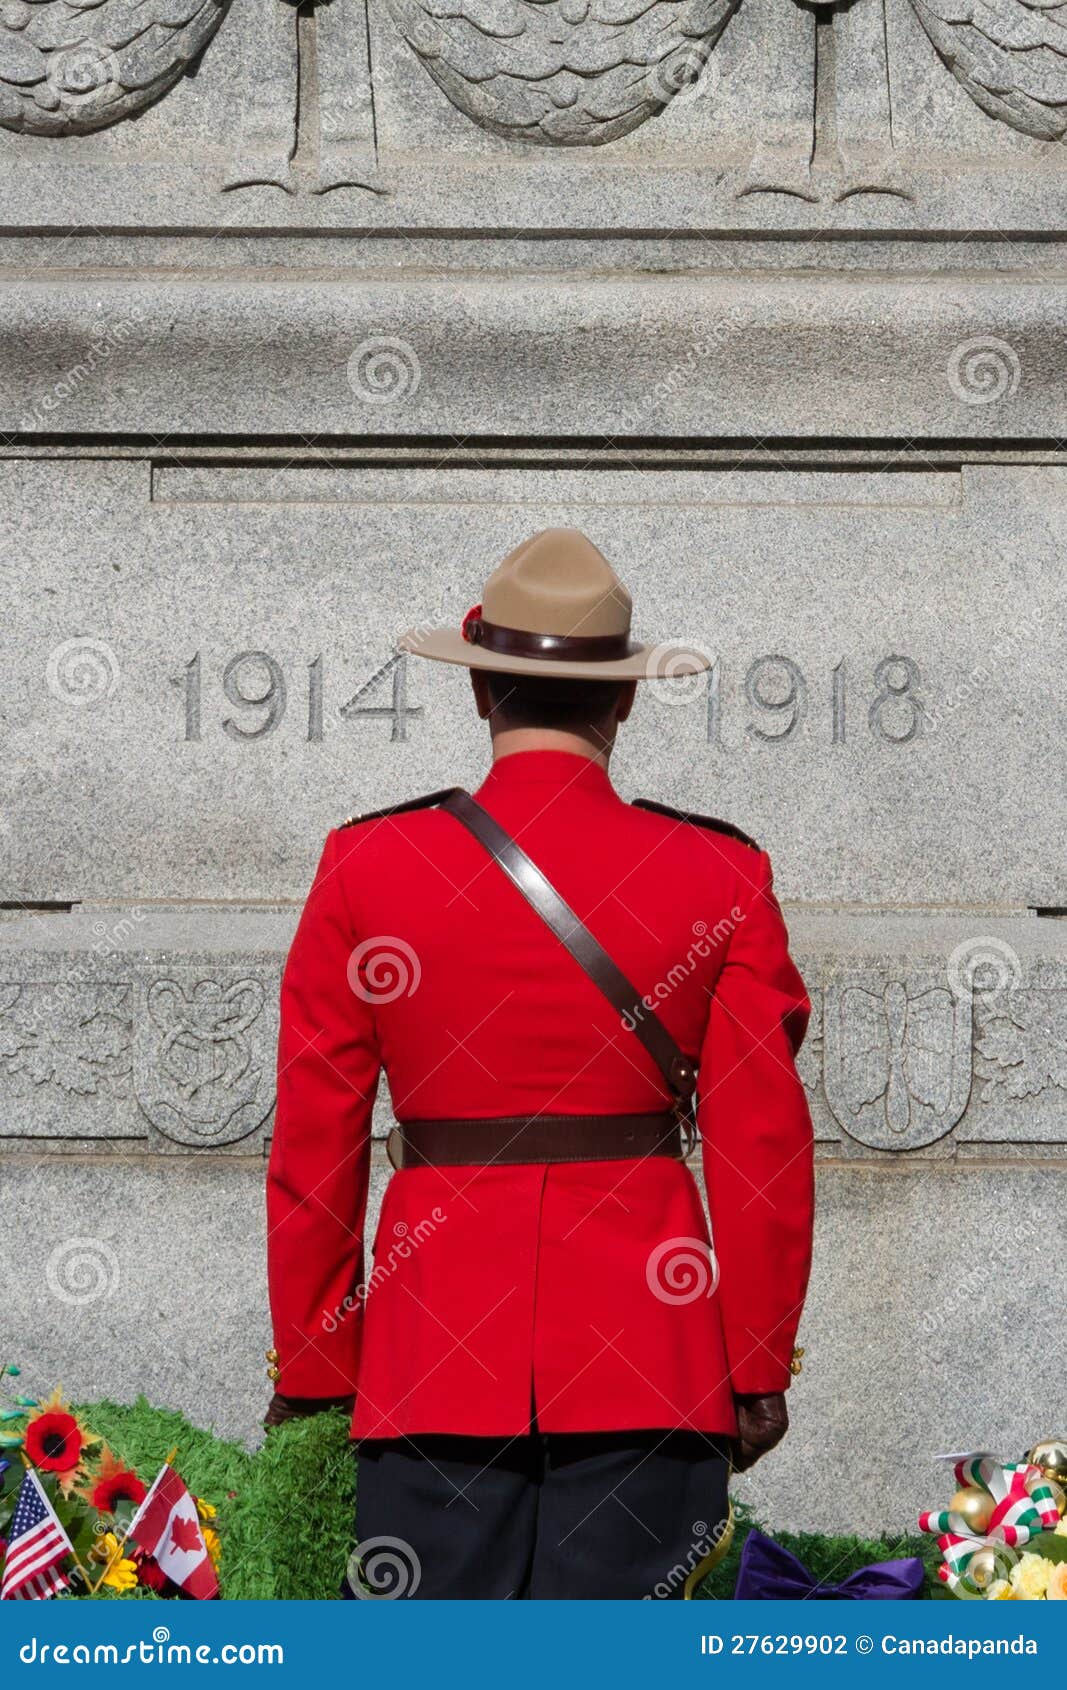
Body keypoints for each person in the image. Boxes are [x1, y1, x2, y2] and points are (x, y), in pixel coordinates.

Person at [264, 528, 814, 1600]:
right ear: (623, 701)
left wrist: (318, 1360)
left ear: (480, 694)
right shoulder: (720, 873)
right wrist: (749, 1362)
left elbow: (314, 1134)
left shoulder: (367, 865)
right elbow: (760, 1149)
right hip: (648, 1359)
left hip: (430, 1362)